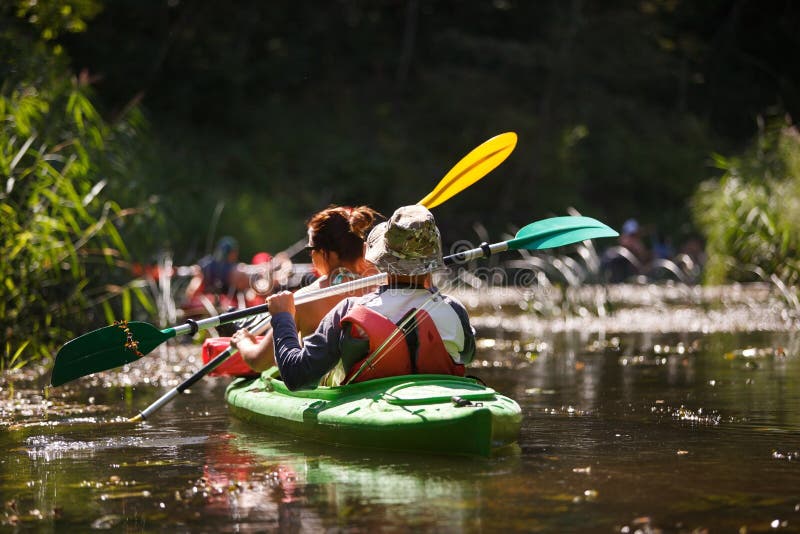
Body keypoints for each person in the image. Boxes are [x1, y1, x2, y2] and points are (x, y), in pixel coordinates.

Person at [263, 204, 476, 390]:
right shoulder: (455, 310)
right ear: (433, 259)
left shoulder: (349, 312)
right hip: (443, 403)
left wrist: (283, 318)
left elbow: (295, 377)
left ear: (378, 256)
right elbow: (467, 355)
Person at [230, 205, 381, 373]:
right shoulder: (382, 284)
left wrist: (243, 341)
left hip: (326, 387)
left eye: (311, 249)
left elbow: (258, 361)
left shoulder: (304, 299)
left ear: (328, 254)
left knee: (240, 324)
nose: (311, 256)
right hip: (371, 376)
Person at [183, 236, 249, 313]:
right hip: (210, 307)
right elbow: (192, 290)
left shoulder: (209, 265)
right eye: (233, 252)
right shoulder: (209, 266)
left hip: (225, 307)